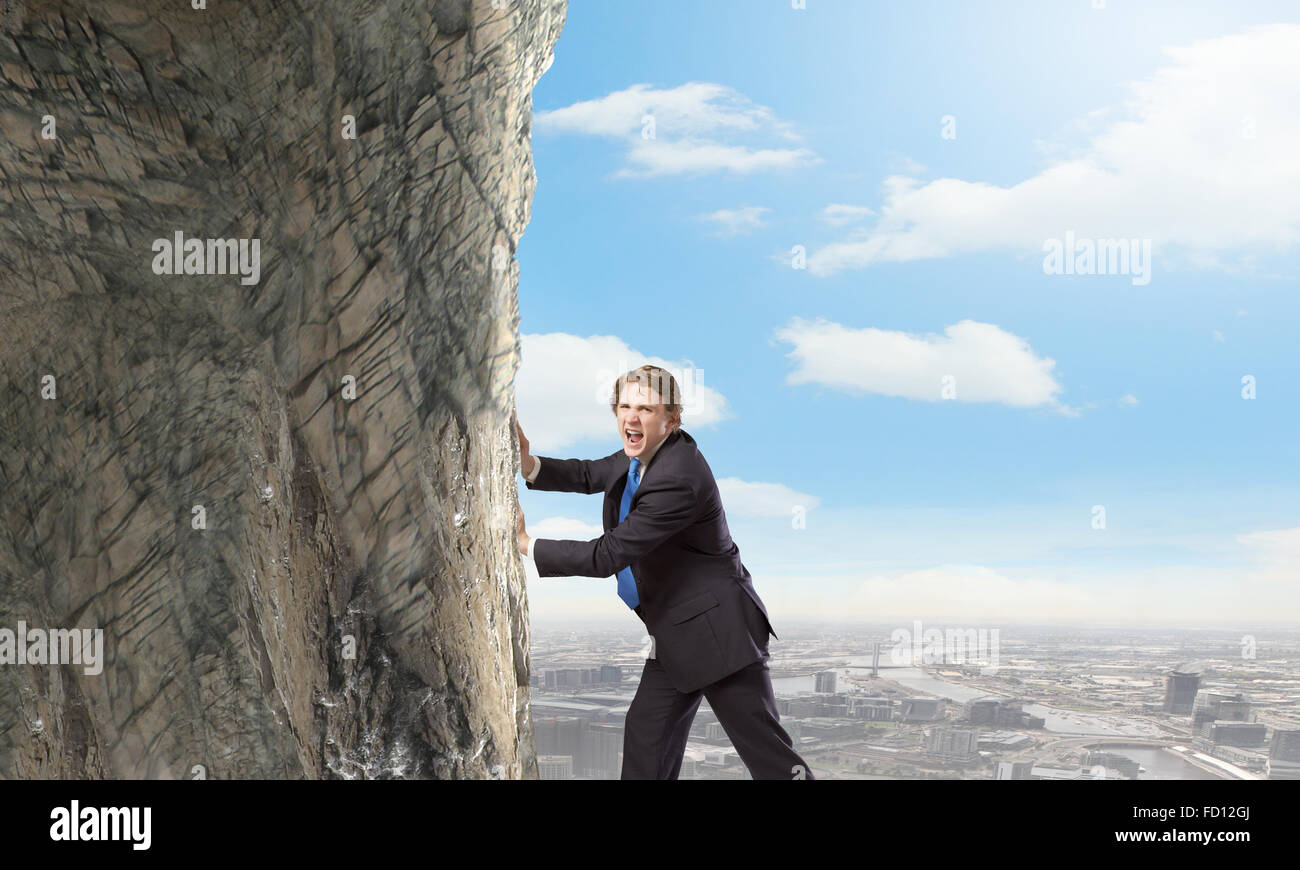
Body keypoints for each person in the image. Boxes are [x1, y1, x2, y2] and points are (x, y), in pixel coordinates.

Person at [515, 364, 813, 780]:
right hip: (676, 633)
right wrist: (528, 463)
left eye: (646, 409)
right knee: (646, 738)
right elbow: (589, 474)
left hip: (720, 636)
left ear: (671, 419)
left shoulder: (677, 477)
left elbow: (609, 555)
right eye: (624, 406)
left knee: (771, 759)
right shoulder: (642, 455)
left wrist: (527, 544)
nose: (631, 418)